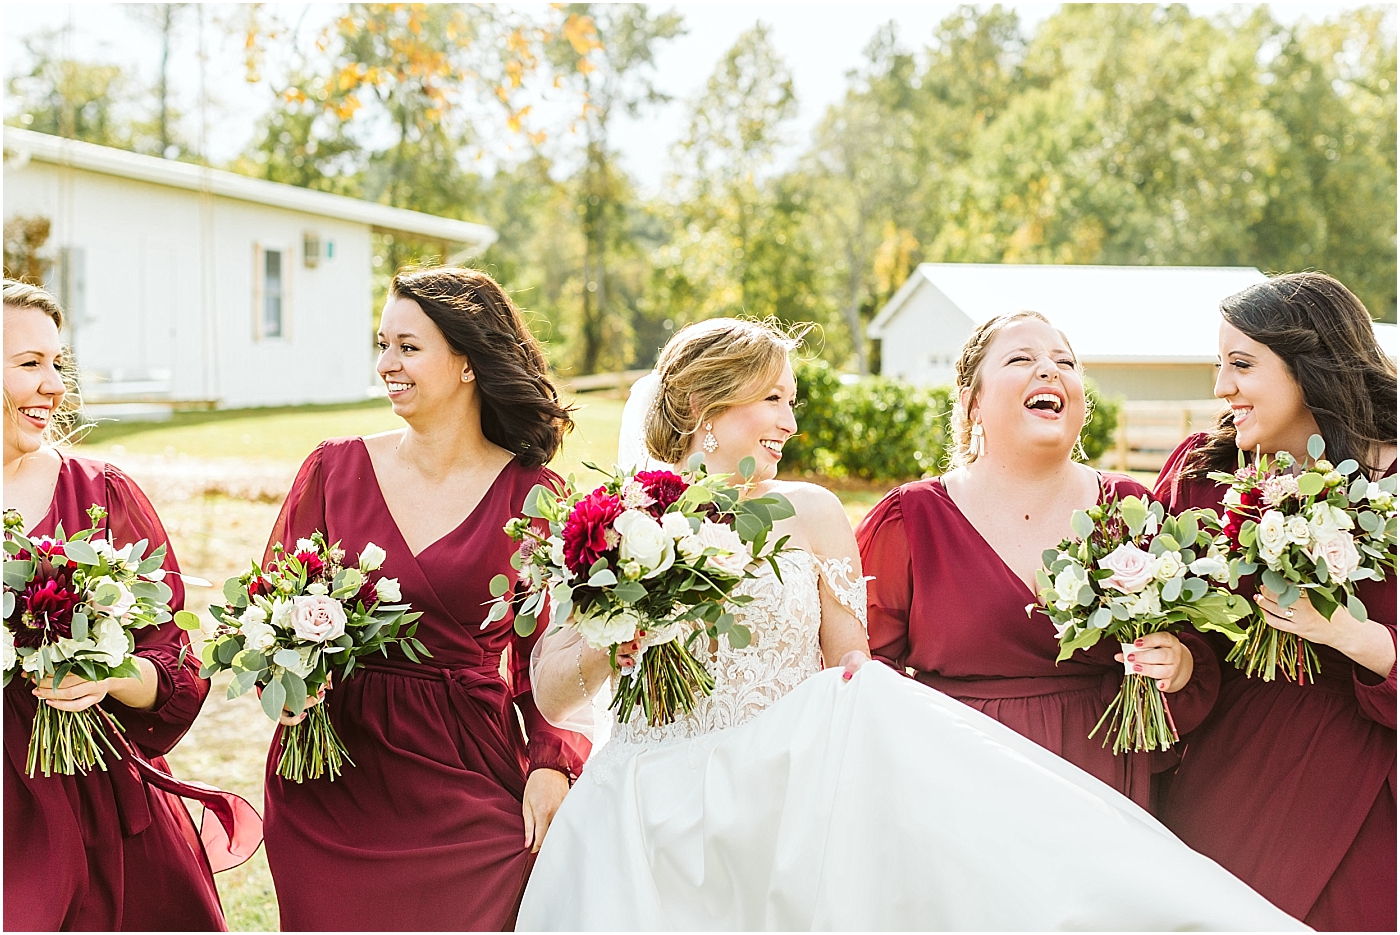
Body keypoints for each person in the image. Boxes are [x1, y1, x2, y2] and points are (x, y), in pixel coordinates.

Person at [516, 317, 1301, 931]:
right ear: (701, 410)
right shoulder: (608, 524)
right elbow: (553, 695)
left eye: (793, 398)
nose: (790, 419)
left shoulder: (815, 513)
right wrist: (622, 627)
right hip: (644, 811)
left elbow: (853, 674)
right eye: (773, 398)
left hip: (781, 809)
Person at [261, 267, 590, 931]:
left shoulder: (532, 492)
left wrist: (551, 764)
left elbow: (544, 654)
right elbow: (273, 607)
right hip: (334, 767)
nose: (387, 364)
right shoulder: (333, 468)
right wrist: (286, 677)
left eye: (408, 347)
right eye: (381, 344)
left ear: (468, 361)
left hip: (461, 762)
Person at [856, 310, 1218, 809]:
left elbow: (1195, 648)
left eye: (1065, 361)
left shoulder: (1130, 509)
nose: (1049, 369)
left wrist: (1176, 664)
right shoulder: (910, 519)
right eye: (1021, 358)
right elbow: (864, 665)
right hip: (959, 788)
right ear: (972, 403)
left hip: (1099, 787)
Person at [3, 279, 259, 931]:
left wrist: (109, 674)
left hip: (101, 797)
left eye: (58, 363)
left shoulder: (103, 492)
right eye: (29, 363)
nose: (55, 386)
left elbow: (173, 660)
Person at [1153, 272, 1396, 931]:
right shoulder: (1201, 474)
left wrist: (1353, 635)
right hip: (1227, 779)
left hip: (1365, 792)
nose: (1220, 387)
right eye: (1217, 364)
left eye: (1241, 364)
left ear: (1308, 365)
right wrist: (1175, 654)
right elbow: (1167, 616)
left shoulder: (1394, 481)